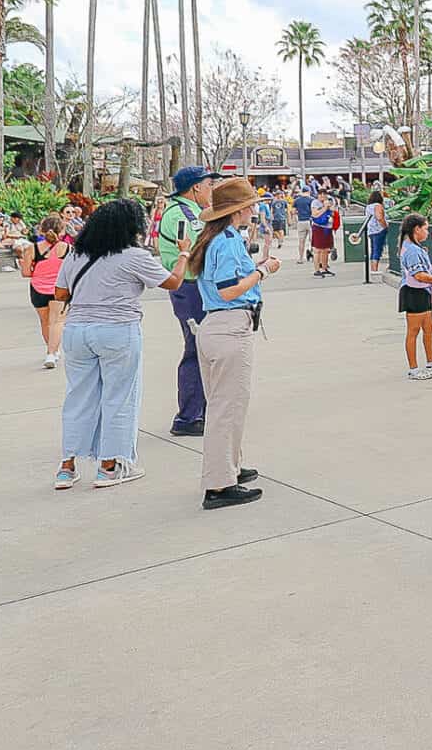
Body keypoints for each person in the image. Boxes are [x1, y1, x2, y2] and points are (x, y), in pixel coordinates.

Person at [50, 198, 184, 491]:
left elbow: (60, 293)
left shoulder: (77, 254)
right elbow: (173, 282)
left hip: (76, 332)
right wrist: (184, 254)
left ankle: (67, 466)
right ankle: (110, 467)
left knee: (78, 397)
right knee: (119, 398)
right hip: (117, 331)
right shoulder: (133, 255)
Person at [189, 177, 275, 509]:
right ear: (237, 209)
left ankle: (228, 468)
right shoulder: (225, 242)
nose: (253, 209)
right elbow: (229, 290)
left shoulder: (219, 239)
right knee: (229, 407)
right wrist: (263, 272)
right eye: (249, 204)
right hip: (229, 326)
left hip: (218, 326)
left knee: (226, 406)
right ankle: (219, 483)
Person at [156, 167, 218, 438]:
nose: (211, 190)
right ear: (195, 188)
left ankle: (197, 411)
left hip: (191, 286)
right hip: (190, 287)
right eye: (208, 185)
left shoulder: (183, 212)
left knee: (200, 347)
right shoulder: (184, 215)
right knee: (197, 348)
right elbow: (198, 250)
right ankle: (189, 416)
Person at [17, 214, 69, 368]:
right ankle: (52, 353)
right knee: (57, 321)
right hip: (60, 288)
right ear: (61, 231)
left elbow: (26, 273)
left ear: (41, 230)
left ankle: (52, 351)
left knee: (45, 321)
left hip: (38, 289)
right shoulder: (67, 248)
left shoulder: (31, 248)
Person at [398, 213, 432, 379]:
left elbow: (424, 272)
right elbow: (419, 275)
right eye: (425, 228)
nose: (427, 232)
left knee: (429, 327)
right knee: (414, 331)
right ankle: (414, 369)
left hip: (423, 291)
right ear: (417, 229)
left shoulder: (413, 247)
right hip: (414, 292)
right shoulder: (412, 250)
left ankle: (431, 362)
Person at [359, 188, 390, 282]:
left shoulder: (368, 207)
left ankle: (373, 269)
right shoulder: (378, 206)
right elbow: (380, 217)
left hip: (371, 230)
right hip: (379, 230)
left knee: (374, 250)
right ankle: (374, 270)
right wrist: (385, 226)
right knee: (378, 250)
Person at [309, 189, 338, 277]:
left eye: (324, 194)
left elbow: (334, 211)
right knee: (317, 249)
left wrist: (331, 207)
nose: (322, 196)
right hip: (318, 227)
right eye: (320, 194)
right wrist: (325, 207)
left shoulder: (329, 201)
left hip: (328, 228)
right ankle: (317, 270)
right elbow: (315, 215)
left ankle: (324, 268)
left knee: (326, 249)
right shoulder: (315, 203)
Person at [292, 184, 314, 262]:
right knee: (312, 240)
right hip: (310, 221)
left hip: (301, 221)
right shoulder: (312, 200)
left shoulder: (297, 200)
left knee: (301, 241)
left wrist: (296, 219)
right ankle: (313, 254)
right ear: (308, 191)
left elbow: (293, 212)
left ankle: (301, 258)